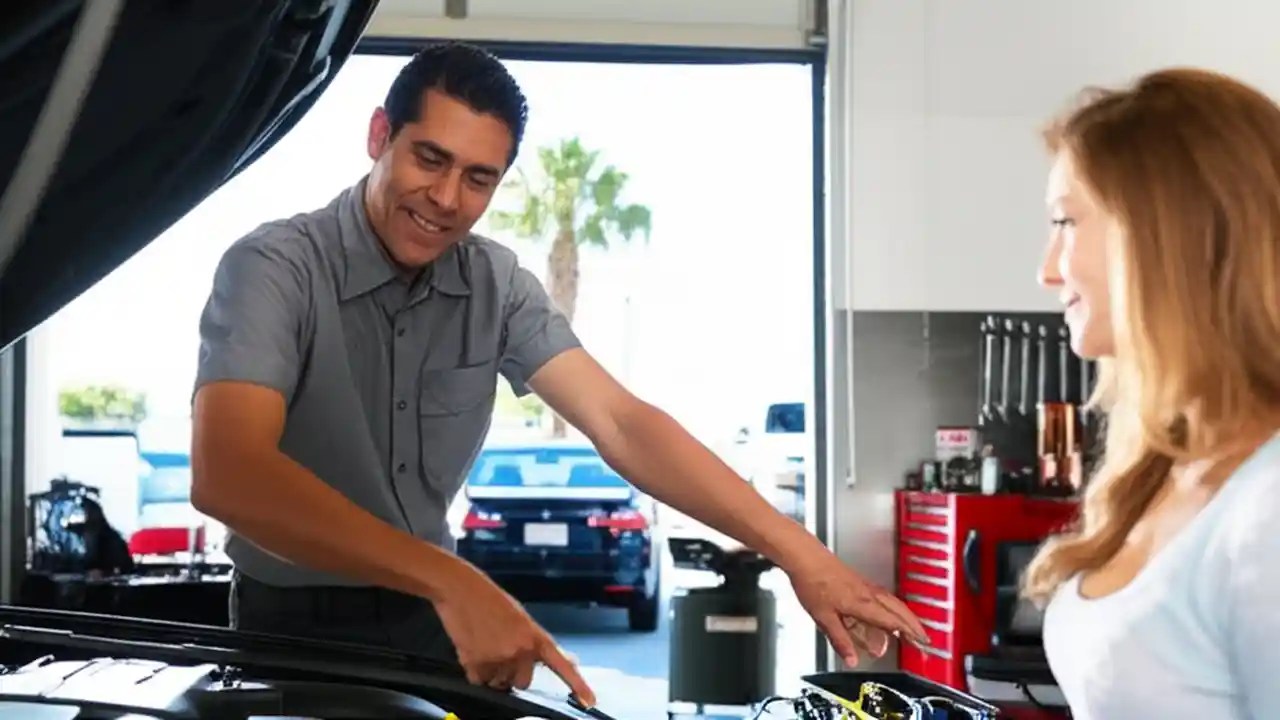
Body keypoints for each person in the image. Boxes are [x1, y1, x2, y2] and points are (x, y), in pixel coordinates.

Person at [189, 41, 927, 706]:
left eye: (479, 178)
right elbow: (229, 474)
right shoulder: (274, 268)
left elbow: (623, 423)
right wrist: (452, 578)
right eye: (429, 159)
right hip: (287, 629)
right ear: (380, 136)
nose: (447, 200)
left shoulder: (497, 284)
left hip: (430, 621)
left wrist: (803, 556)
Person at [1024, 67, 1280, 719]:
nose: (1048, 269)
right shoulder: (1169, 467)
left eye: (1067, 223)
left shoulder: (1268, 509)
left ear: (1166, 236)